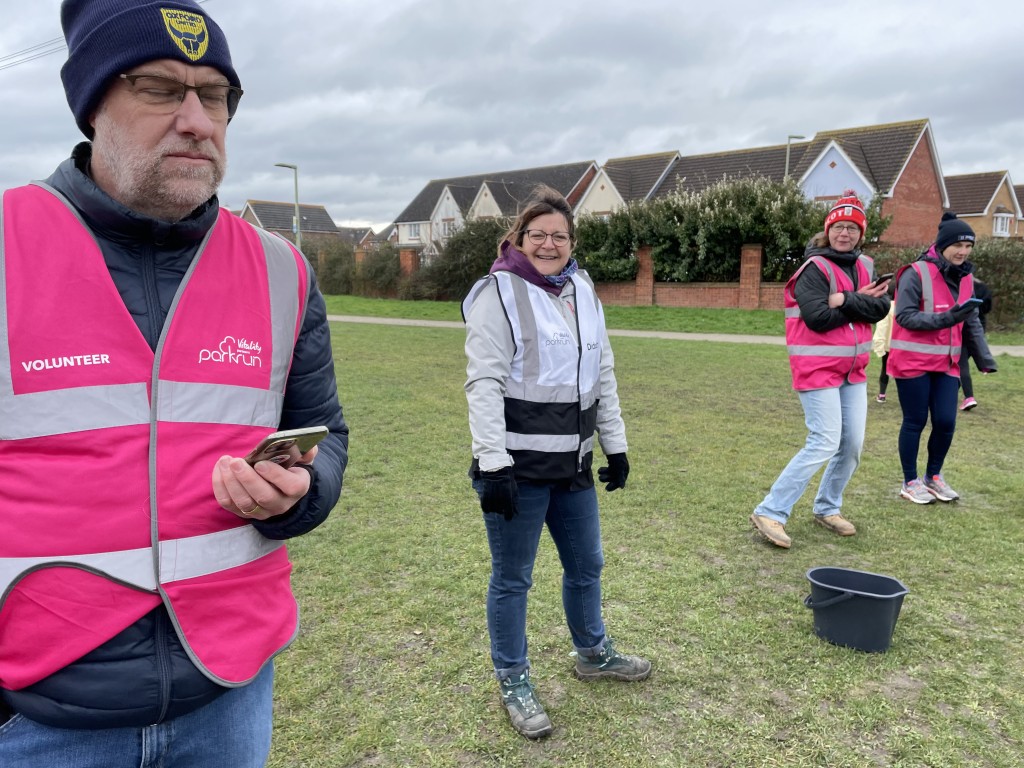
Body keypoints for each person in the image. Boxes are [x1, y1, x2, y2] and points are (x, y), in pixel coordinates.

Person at [0, 2, 348, 766]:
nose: (198, 120)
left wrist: (301, 488)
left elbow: (327, 437)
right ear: (94, 106)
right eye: (160, 89)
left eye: (216, 95)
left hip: (227, 697)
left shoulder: (282, 271)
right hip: (37, 718)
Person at [462, 185, 651, 739]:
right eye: (538, 235)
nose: (549, 244)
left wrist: (614, 444)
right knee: (513, 579)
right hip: (516, 471)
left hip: (572, 468)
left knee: (587, 566)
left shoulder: (582, 289)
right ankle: (514, 680)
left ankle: (592, 652)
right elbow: (484, 383)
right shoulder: (498, 292)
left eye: (559, 235)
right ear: (519, 239)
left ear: (572, 242)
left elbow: (603, 371)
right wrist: (492, 464)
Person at [750, 191, 891, 549]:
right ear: (827, 231)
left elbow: (882, 307)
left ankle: (827, 507)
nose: (845, 233)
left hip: (853, 372)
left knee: (853, 444)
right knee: (825, 441)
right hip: (818, 370)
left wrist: (846, 298)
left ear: (861, 233)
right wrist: (860, 301)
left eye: (852, 228)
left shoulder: (866, 266)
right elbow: (817, 318)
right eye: (838, 226)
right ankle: (771, 511)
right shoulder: (813, 269)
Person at [889, 213, 995, 504]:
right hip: (912, 361)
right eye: (957, 245)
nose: (963, 252)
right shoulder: (915, 272)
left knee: (947, 421)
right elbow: (904, 316)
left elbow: (971, 320)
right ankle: (910, 481)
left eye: (968, 246)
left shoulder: (966, 277)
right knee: (915, 420)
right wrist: (948, 318)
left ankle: (933, 477)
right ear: (943, 244)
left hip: (947, 363)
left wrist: (984, 358)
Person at [958, 279, 993, 411]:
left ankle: (969, 397)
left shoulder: (960, 285)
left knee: (961, 364)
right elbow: (988, 307)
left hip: (963, 327)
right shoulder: (983, 287)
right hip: (979, 328)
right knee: (958, 363)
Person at [872, 302, 895, 403]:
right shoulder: (906, 304)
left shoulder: (888, 307)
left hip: (889, 345)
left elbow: (882, 326)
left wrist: (879, 346)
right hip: (904, 345)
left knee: (885, 368)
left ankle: (882, 395)